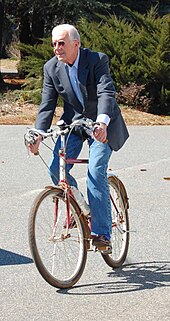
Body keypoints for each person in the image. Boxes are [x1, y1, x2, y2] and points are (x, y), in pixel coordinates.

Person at [29, 23, 129, 251]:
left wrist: (103, 121)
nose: (56, 48)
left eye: (61, 43)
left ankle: (102, 234)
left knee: (95, 172)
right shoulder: (51, 68)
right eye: (54, 44)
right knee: (56, 170)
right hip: (74, 124)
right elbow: (47, 105)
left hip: (101, 124)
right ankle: (79, 207)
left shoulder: (96, 60)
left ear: (76, 44)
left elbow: (106, 92)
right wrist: (38, 134)